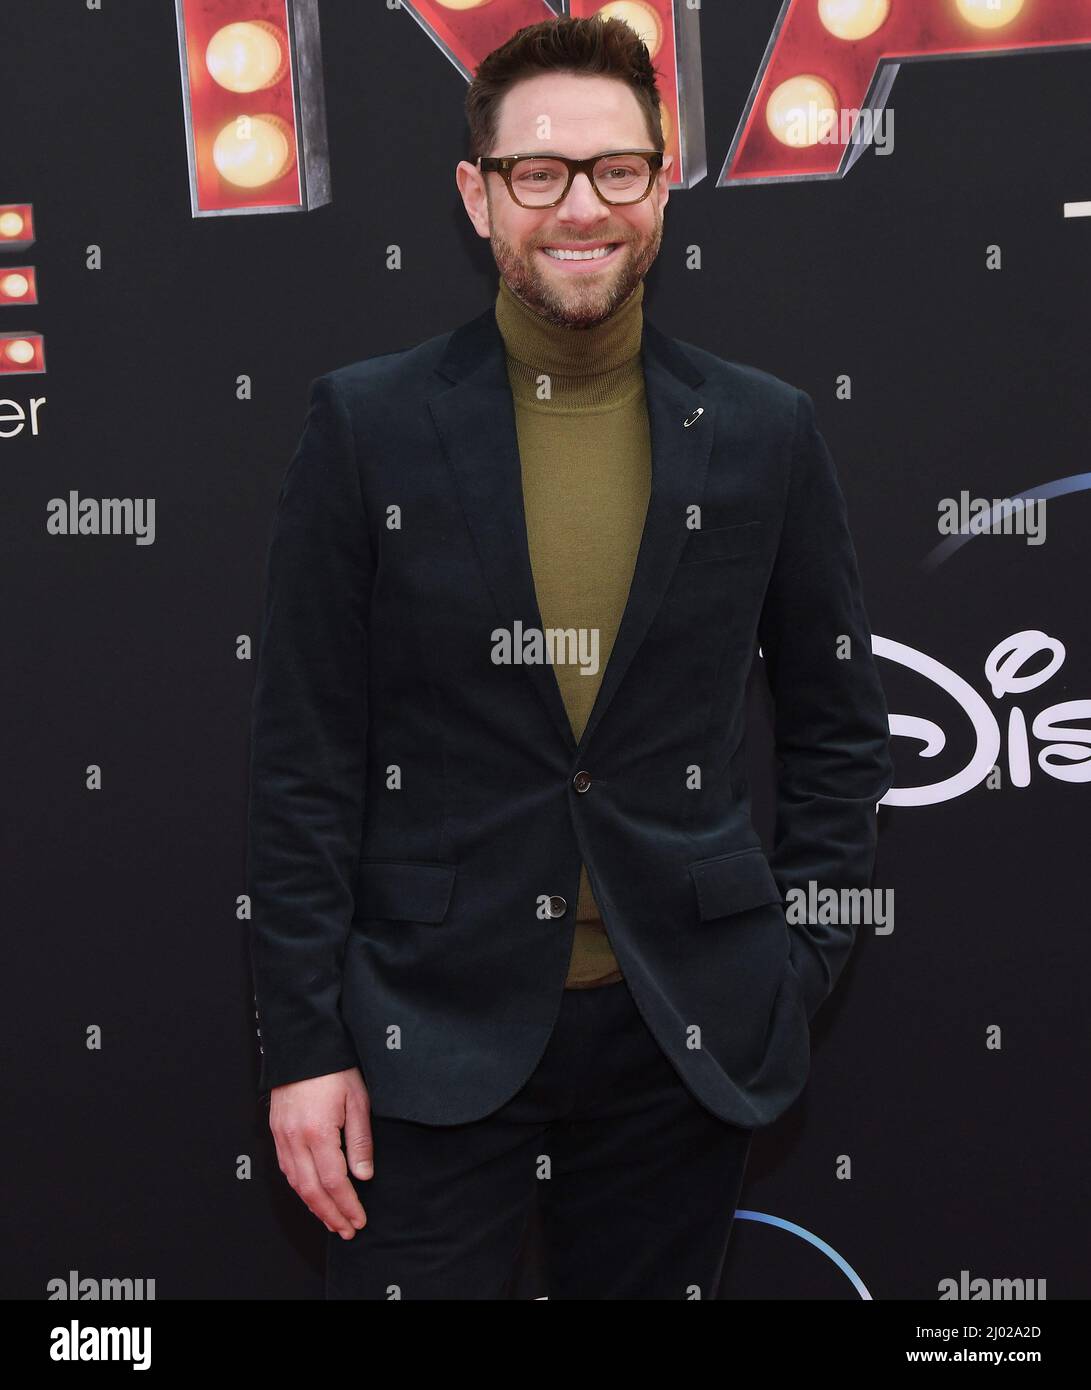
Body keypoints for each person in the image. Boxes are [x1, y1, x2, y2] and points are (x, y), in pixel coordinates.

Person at [246, 15, 894, 1300]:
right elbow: (304, 760)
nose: (580, 206)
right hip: (425, 1035)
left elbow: (837, 730)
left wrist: (783, 970)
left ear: (660, 184)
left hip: (682, 1037)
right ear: (476, 195)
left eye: (614, 168)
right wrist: (304, 1044)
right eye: (537, 172)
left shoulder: (762, 431)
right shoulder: (368, 425)